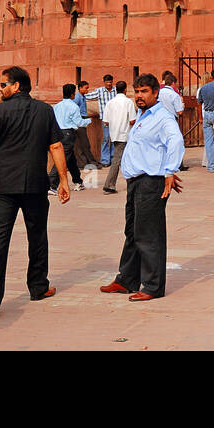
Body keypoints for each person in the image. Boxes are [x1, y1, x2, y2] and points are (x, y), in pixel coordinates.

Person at [0, 66, 72, 319]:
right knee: (37, 236)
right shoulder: (44, 110)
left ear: (17, 86)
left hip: (3, 186)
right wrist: (63, 179)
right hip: (34, 184)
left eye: (3, 85)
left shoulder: (1, 110)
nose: (0, 89)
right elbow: (56, 145)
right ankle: (39, 287)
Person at [99, 74, 183, 300]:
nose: (139, 96)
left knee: (148, 234)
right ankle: (127, 279)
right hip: (136, 182)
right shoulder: (143, 115)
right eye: (136, 91)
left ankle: (152, 286)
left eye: (144, 91)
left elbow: (175, 141)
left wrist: (169, 171)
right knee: (132, 232)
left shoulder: (163, 117)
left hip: (151, 182)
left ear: (156, 92)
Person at [101, 80, 138, 194]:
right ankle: (109, 185)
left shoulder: (110, 103)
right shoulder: (128, 102)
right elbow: (132, 120)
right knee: (118, 159)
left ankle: (131, 183)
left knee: (122, 158)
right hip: (125, 134)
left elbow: (106, 121)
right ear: (125, 90)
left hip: (114, 134)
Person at [49, 84, 86, 192]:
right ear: (72, 94)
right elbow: (79, 122)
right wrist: (88, 121)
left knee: (71, 159)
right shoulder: (74, 106)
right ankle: (52, 184)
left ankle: (78, 181)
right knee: (62, 158)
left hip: (57, 132)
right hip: (68, 133)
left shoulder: (57, 106)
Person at [82, 75, 118, 166]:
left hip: (115, 118)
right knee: (106, 139)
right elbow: (88, 96)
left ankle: (113, 159)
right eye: (107, 82)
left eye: (110, 82)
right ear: (104, 82)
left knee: (114, 139)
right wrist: (79, 95)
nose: (109, 84)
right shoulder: (100, 91)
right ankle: (105, 160)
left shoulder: (116, 91)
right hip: (105, 119)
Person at [197, 70, 214, 174]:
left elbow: (199, 104)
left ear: (211, 77)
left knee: (209, 142)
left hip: (207, 114)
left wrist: (200, 117)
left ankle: (211, 165)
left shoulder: (203, 88)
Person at [73, 80, 101, 168]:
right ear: (80, 88)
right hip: (80, 120)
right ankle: (91, 162)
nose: (87, 90)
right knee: (84, 143)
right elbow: (73, 109)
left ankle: (83, 163)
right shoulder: (77, 98)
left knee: (80, 143)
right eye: (86, 88)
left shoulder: (83, 97)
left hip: (82, 119)